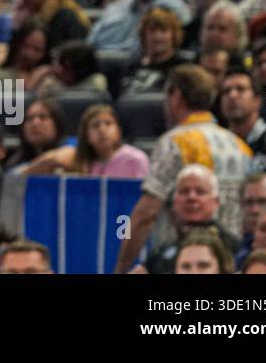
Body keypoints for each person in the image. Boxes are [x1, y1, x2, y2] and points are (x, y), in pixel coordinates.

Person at [114, 66, 252, 273]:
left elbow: (146, 214)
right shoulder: (240, 146)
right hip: (230, 258)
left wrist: (121, 267)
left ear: (176, 95)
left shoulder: (176, 141)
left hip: (184, 260)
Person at [144, 164, 241, 274]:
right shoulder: (160, 254)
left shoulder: (233, 248)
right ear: (175, 201)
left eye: (200, 192)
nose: (191, 197)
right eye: (184, 191)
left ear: (216, 201)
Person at [27, 104, 149, 178]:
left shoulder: (135, 159)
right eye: (95, 125)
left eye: (108, 123)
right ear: (86, 136)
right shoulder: (81, 161)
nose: (102, 129)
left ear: (119, 130)